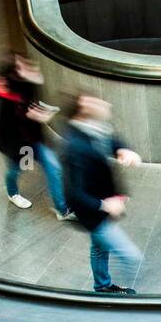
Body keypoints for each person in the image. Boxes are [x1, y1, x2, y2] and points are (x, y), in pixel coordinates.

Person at [61, 94, 143, 295]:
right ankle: (104, 288)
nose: (105, 103)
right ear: (83, 109)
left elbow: (111, 139)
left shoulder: (93, 127)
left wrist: (122, 149)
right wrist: (105, 205)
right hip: (93, 212)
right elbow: (73, 193)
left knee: (99, 248)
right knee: (132, 256)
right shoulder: (74, 147)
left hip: (102, 203)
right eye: (96, 101)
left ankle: (102, 286)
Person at [0, 53, 73, 218]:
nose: (26, 67)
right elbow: (7, 128)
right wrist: (30, 116)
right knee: (17, 169)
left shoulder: (24, 84)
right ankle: (12, 192)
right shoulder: (4, 98)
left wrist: (40, 113)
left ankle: (62, 209)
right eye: (20, 66)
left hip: (35, 139)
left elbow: (32, 101)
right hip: (19, 144)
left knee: (53, 167)